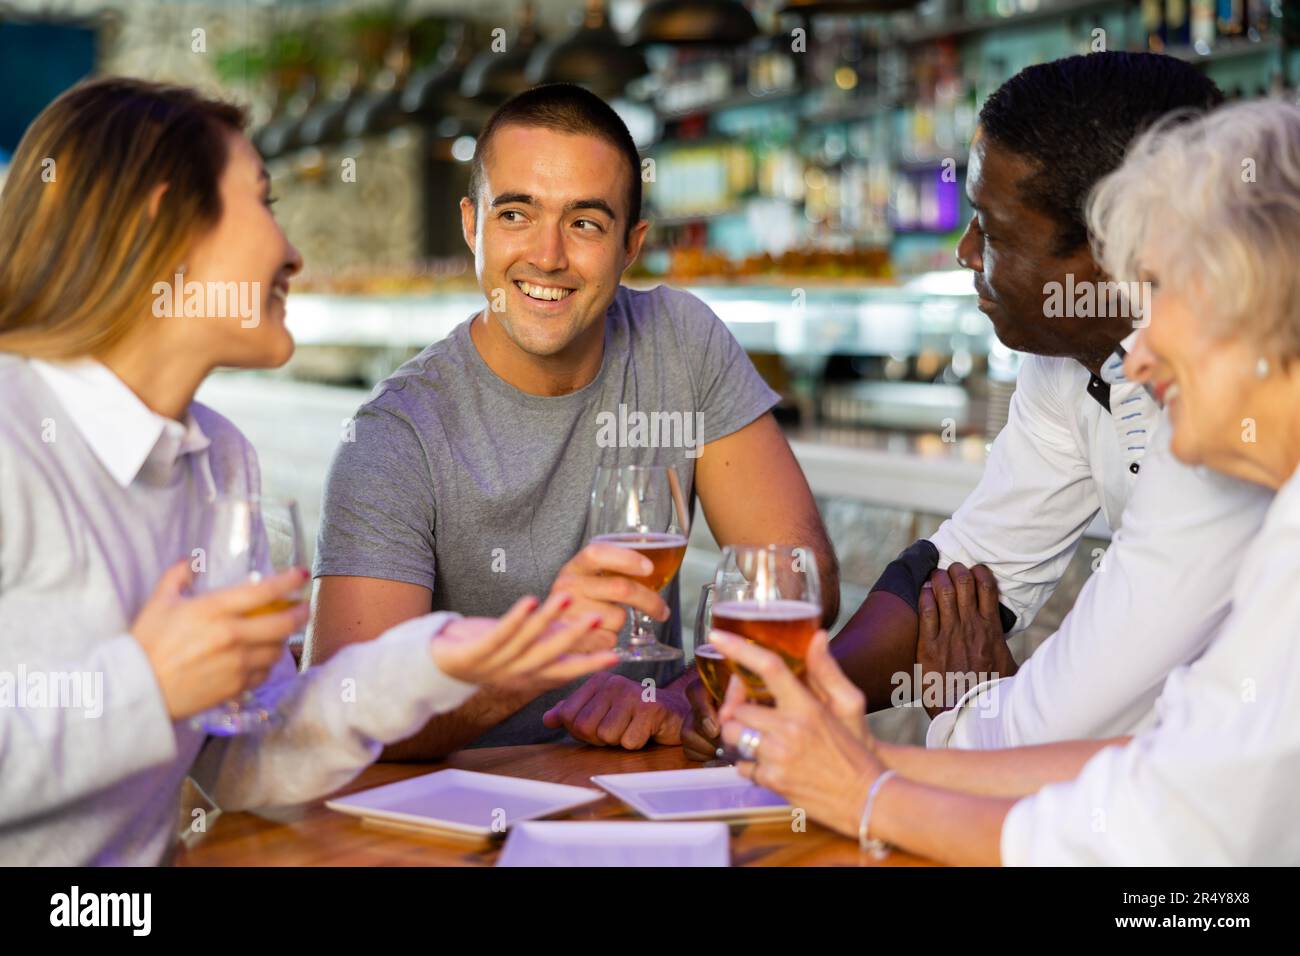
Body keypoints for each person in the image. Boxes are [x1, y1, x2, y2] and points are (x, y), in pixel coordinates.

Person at [0, 77, 619, 866]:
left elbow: (243, 757)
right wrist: (145, 690)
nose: (292, 252)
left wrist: (435, 661)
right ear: (165, 223)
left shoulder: (216, 458)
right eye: (262, 203)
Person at [712, 98, 1300, 865]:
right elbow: (1166, 763)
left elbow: (1159, 825)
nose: (1139, 350)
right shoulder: (1280, 512)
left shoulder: (1231, 482)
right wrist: (811, 732)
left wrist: (918, 753)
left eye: (1160, 292)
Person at [306, 83, 839, 755]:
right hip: (459, 821)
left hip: (641, 802)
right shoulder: (395, 434)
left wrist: (681, 699)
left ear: (631, 245)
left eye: (585, 222)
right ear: (472, 226)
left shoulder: (681, 341)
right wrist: (549, 646)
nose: (549, 255)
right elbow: (343, 716)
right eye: (517, 215)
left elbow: (801, 574)